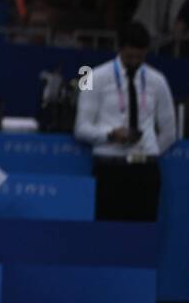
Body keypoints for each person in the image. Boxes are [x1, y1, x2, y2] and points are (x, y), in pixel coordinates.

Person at [74, 22, 177, 222]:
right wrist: (110, 135)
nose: (135, 61)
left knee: (144, 233)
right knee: (106, 232)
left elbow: (169, 131)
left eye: (140, 56)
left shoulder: (157, 80)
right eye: (130, 56)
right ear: (119, 48)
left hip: (145, 171)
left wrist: (148, 150)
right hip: (110, 169)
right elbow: (80, 128)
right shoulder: (94, 77)